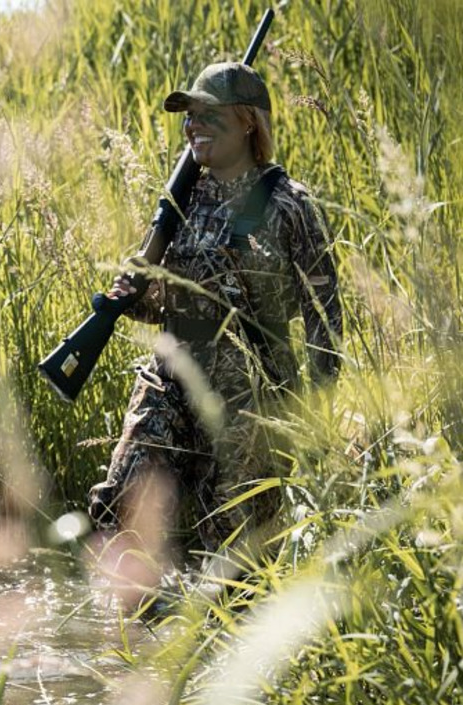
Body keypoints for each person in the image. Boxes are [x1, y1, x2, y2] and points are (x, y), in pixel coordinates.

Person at [87, 62, 342, 587]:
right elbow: (170, 301)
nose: (193, 126)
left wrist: (317, 414)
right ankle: (132, 652)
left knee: (234, 563)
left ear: (248, 122)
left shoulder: (288, 204)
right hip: (170, 381)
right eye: (190, 116)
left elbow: (324, 318)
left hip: (252, 400)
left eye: (209, 115)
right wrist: (130, 297)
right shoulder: (183, 199)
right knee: (124, 516)